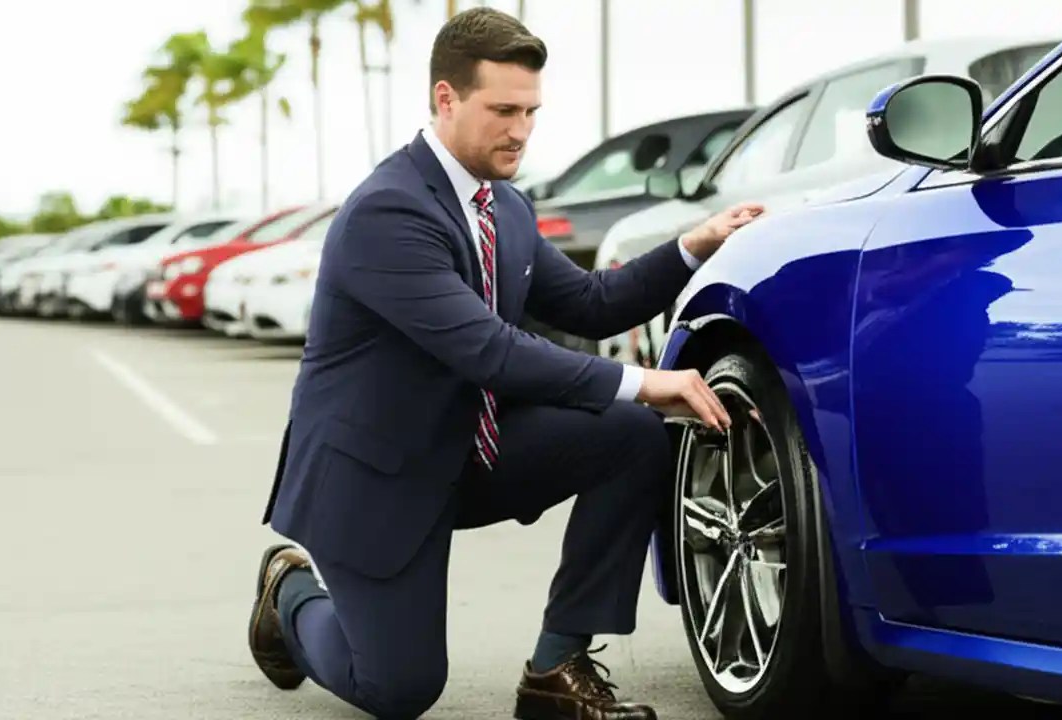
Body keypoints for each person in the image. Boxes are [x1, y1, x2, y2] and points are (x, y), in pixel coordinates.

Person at [248, 8, 764, 719]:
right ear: (446, 99)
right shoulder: (389, 212)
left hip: (471, 454)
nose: (520, 130)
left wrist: (693, 246)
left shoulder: (506, 209)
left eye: (531, 111)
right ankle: (289, 591)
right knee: (398, 689)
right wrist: (649, 382)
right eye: (503, 110)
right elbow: (486, 350)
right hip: (378, 478)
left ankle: (557, 668)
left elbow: (591, 302)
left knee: (632, 437)